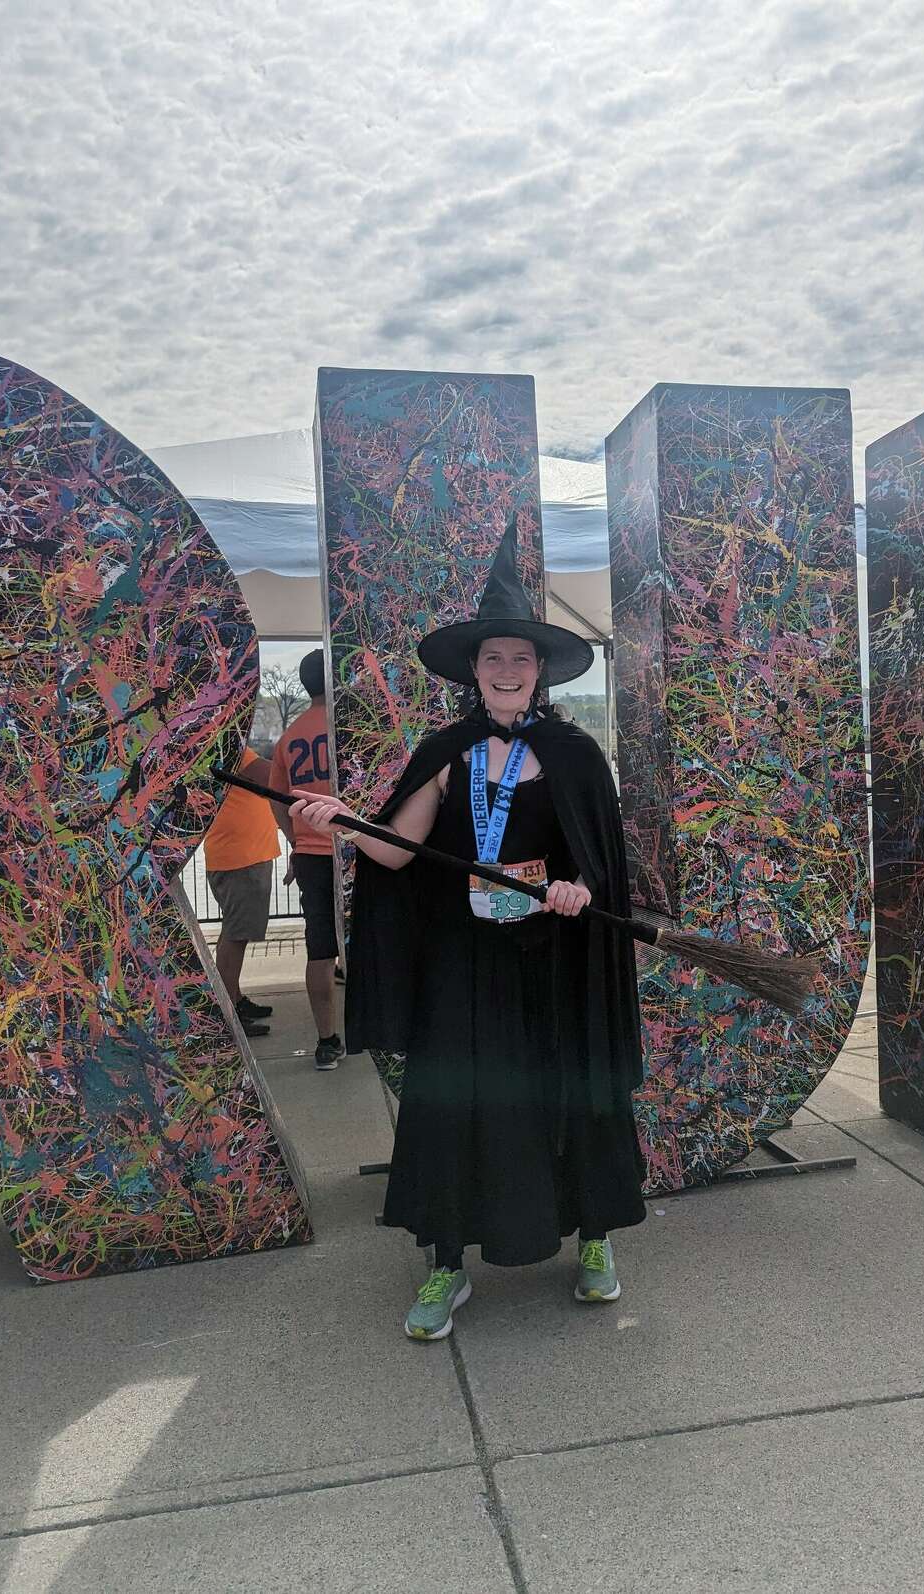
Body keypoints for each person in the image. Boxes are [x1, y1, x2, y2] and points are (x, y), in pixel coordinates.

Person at [292, 519, 645, 1341]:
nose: (509, 670)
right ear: (474, 670)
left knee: (571, 1093)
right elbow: (395, 854)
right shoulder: (446, 749)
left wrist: (576, 889)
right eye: (494, 657)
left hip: (552, 959)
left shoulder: (576, 753)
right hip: (464, 963)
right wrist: (342, 821)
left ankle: (593, 1240)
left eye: (522, 658)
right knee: (453, 1102)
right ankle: (446, 1259)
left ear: (543, 670)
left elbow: (601, 862)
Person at [269, 649, 345, 1072]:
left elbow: (278, 803)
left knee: (319, 948)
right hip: (355, 850)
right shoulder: (348, 729)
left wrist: (296, 842)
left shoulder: (290, 736)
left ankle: (326, 1040)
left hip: (312, 856)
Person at [204, 744, 279, 1038]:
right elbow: (273, 777)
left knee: (234, 932)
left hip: (241, 856)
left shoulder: (229, 751)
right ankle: (226, 1013)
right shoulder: (234, 750)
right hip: (241, 859)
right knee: (236, 935)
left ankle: (234, 998)